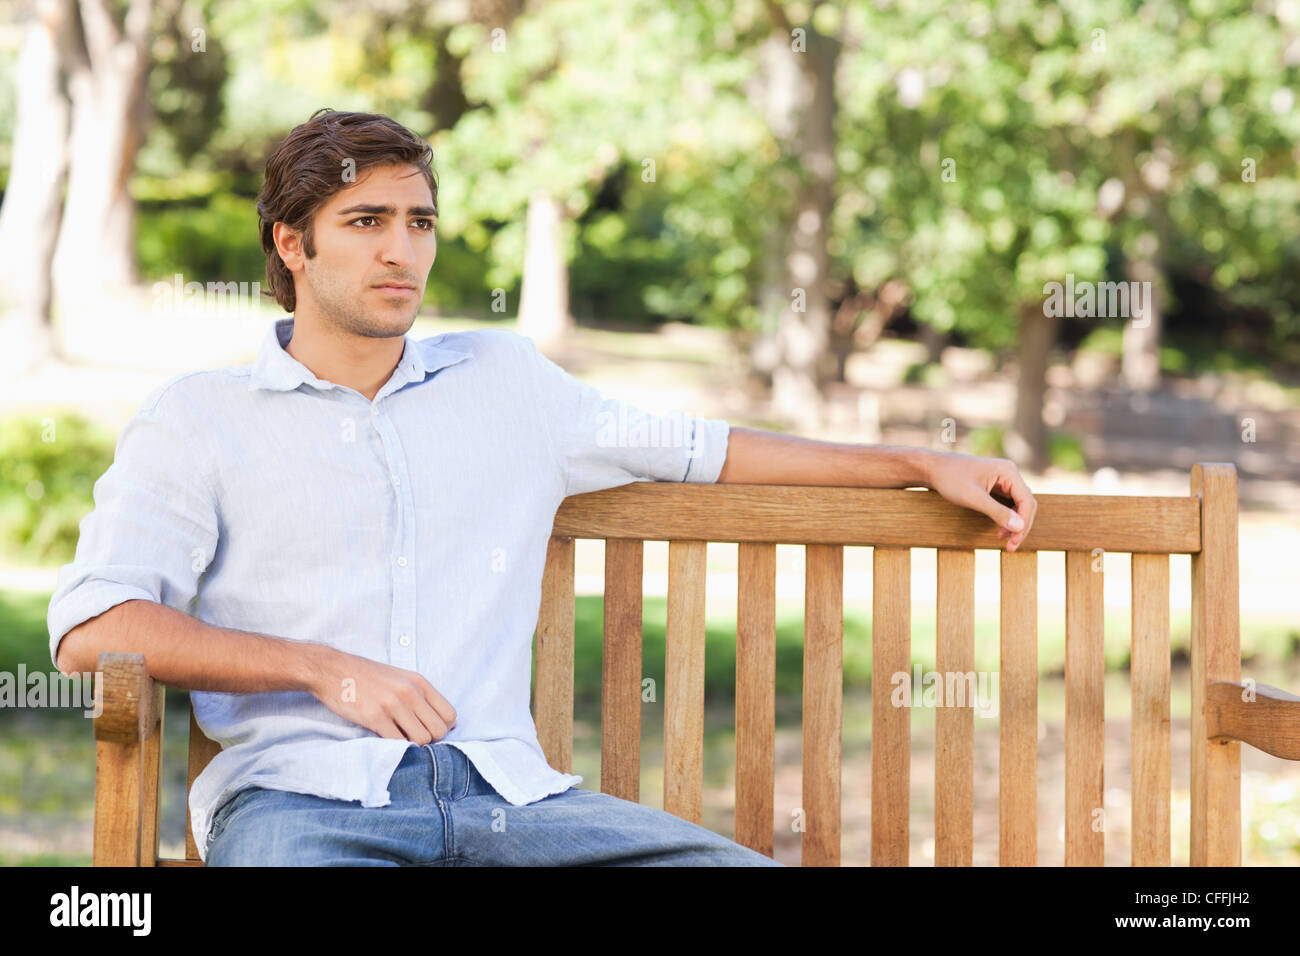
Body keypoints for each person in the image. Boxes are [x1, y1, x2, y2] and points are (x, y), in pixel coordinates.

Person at [48, 109, 1037, 867]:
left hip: (513, 801)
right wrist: (319, 666)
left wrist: (916, 462)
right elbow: (95, 626)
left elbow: (704, 448)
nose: (403, 249)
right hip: (301, 805)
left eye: (419, 220)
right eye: (366, 222)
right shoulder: (201, 416)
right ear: (292, 245)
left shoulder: (507, 385)